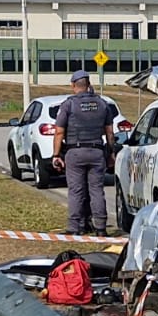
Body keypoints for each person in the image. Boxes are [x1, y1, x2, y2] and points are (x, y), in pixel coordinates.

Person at [51, 69, 110, 236]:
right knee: (96, 190)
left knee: (76, 190)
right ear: (89, 84)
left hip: (75, 153)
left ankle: (75, 227)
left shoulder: (68, 104)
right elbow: (110, 132)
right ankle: (100, 227)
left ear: (73, 85)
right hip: (97, 152)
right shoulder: (102, 103)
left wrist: (56, 155)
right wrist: (111, 153)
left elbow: (59, 132)